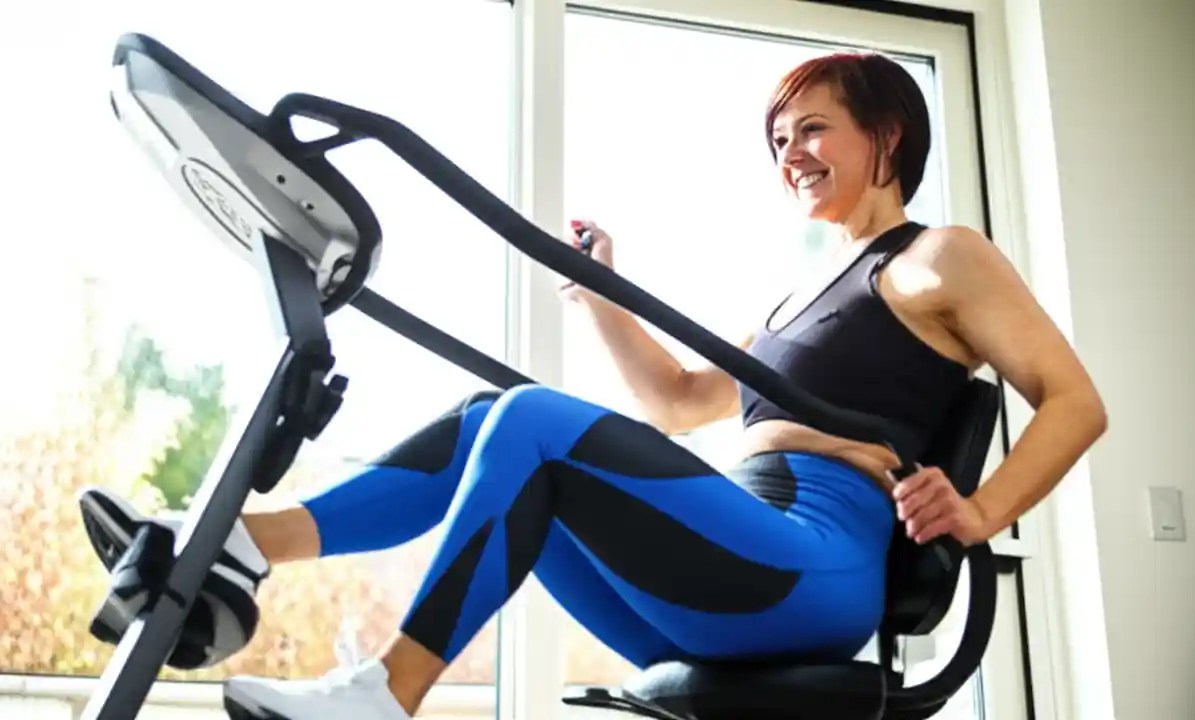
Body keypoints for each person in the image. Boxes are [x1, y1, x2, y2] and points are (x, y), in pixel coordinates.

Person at [82, 51, 1107, 719]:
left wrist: (976, 512)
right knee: (498, 417)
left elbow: (1073, 401)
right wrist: (599, 293)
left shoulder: (939, 256)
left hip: (813, 577)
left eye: (812, 129)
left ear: (886, 134)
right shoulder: (796, 296)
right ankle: (247, 548)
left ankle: (381, 697)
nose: (789, 153)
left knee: (529, 420)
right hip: (715, 586)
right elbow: (674, 402)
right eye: (777, 140)